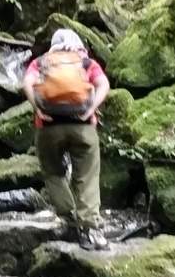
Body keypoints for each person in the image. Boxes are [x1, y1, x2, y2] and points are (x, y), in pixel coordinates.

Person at [23, 29, 111, 250]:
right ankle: (90, 226)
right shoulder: (85, 62)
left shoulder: (41, 62)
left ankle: (70, 218)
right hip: (82, 126)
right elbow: (104, 85)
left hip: (48, 127)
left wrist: (37, 109)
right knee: (87, 175)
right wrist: (91, 107)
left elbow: (27, 83)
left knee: (53, 172)